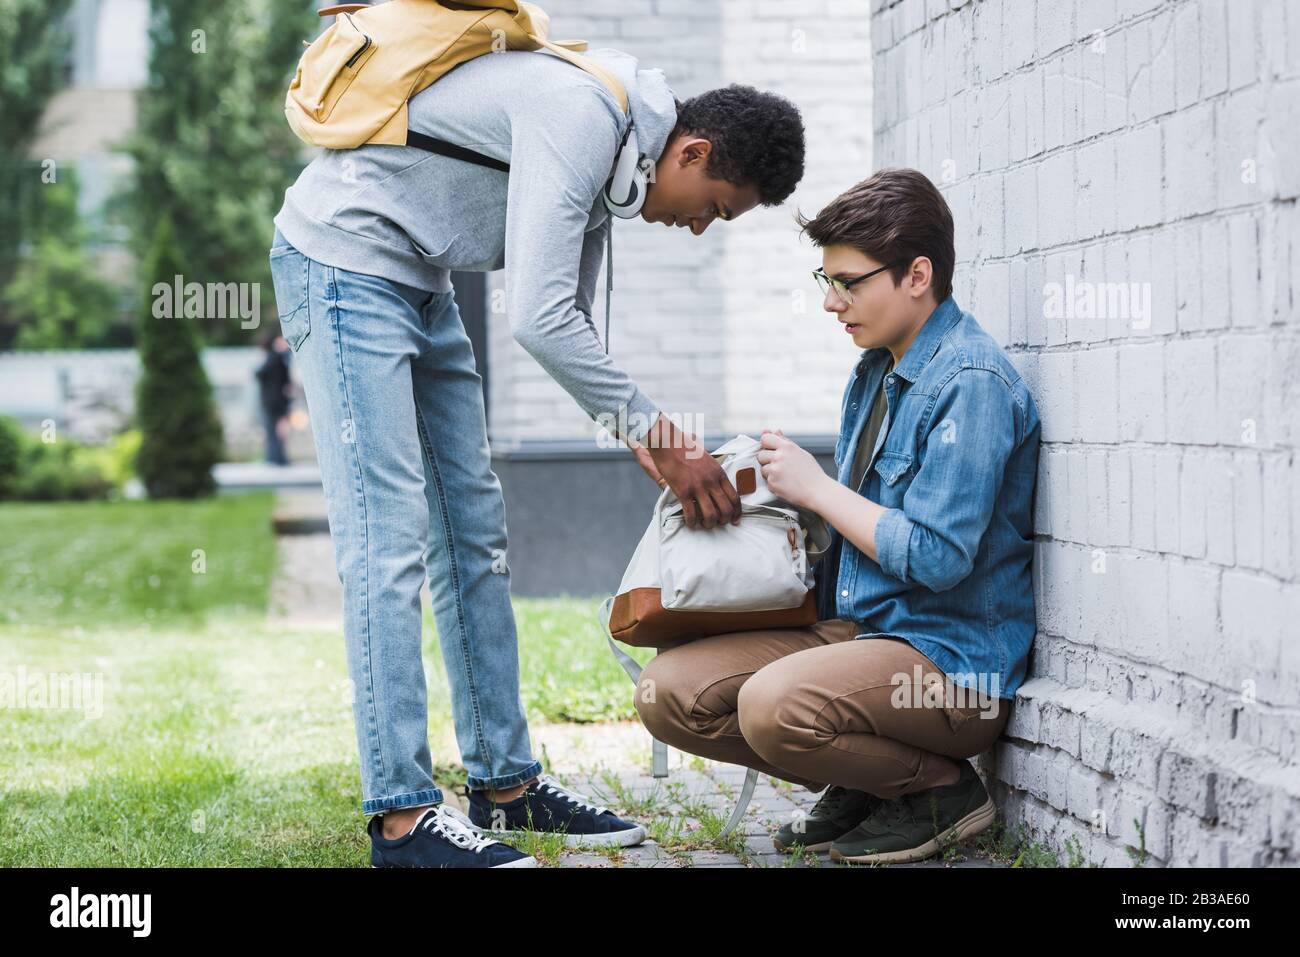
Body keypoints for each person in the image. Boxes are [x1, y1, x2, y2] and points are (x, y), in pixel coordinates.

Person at [267, 39, 806, 867]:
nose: (699, 226)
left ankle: (506, 788)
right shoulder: (584, 115)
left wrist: (639, 435)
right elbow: (539, 317)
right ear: (692, 152)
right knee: (387, 538)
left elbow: (568, 324)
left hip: (419, 278)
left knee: (472, 535)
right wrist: (659, 433)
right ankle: (404, 820)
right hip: (343, 265)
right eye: (715, 206)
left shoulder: (615, 151)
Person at [635, 168, 1042, 865]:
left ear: (918, 275)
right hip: (858, 631)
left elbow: (941, 557)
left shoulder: (971, 384)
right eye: (824, 280)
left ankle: (941, 792)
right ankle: (870, 783)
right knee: (668, 693)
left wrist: (820, 490)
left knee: (771, 706)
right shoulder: (877, 369)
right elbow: (858, 525)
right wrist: (767, 497)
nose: (830, 302)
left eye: (848, 282)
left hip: (946, 663)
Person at [254, 333, 292, 466]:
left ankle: (274, 458)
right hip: (280, 399)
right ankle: (279, 458)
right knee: (279, 430)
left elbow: (259, 374)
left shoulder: (273, 357)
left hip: (272, 401)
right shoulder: (283, 358)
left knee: (272, 430)